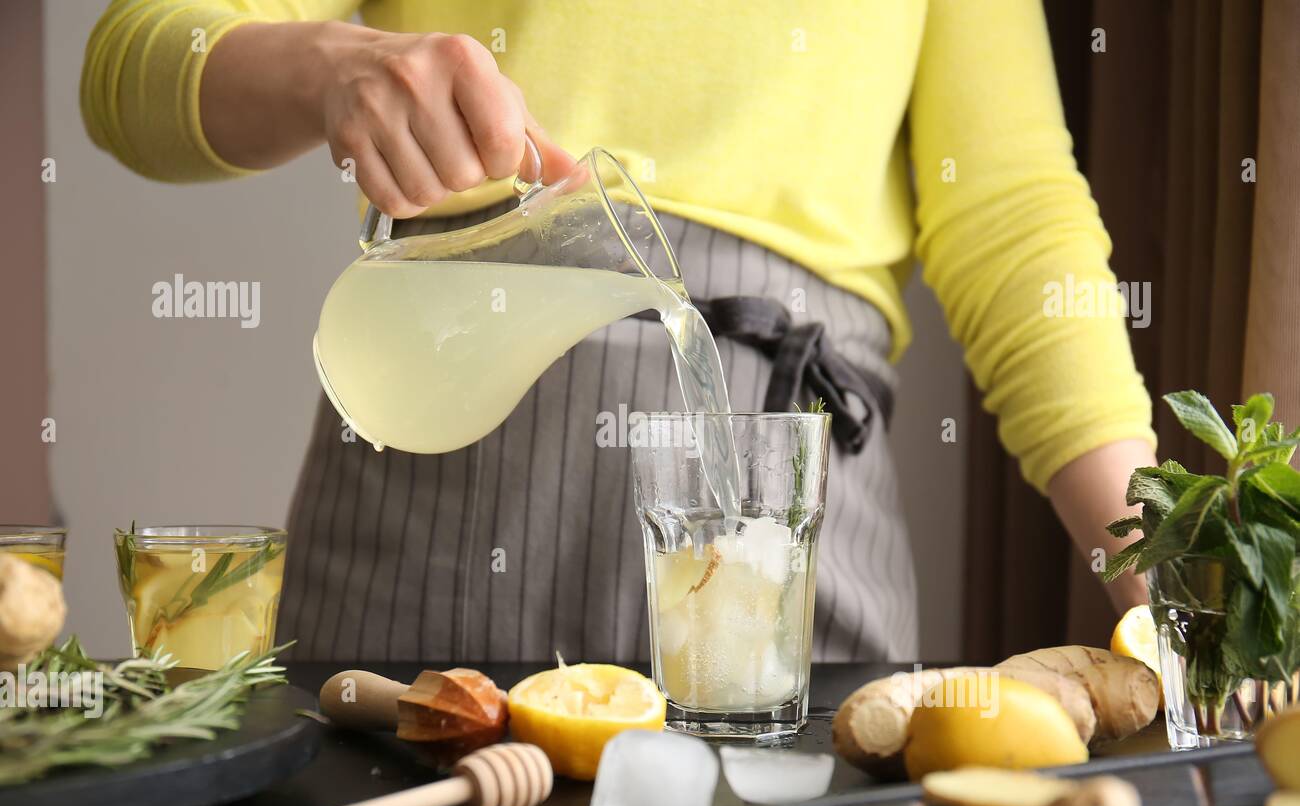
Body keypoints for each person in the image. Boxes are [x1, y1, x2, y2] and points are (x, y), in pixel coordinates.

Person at [81, 0, 1156, 663]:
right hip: (439, 463)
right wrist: (331, 68)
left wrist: (1171, 583)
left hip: (787, 476)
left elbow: (1012, 218)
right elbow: (131, 59)